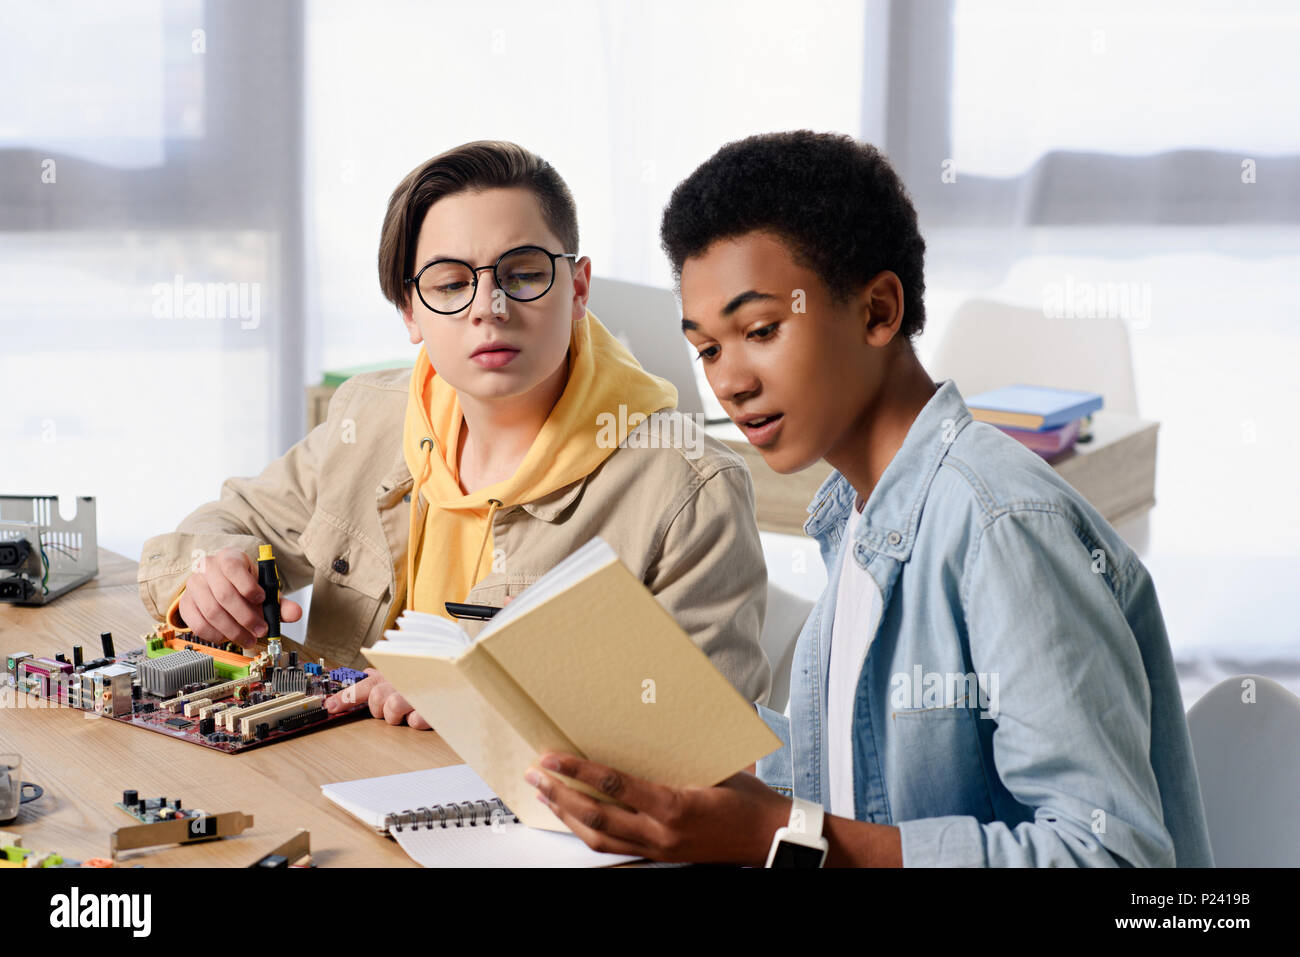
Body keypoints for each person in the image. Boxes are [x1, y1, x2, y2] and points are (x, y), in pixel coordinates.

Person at [525, 130, 1214, 867]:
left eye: (760, 329)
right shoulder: (857, 515)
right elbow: (863, 778)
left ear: (879, 310)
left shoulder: (1000, 526)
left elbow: (1116, 857)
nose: (729, 380)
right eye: (709, 347)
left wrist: (776, 837)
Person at [137, 140, 772, 728]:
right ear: (411, 312)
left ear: (577, 288)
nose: (487, 308)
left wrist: (498, 698)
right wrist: (209, 577)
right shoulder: (370, 419)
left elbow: (713, 747)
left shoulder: (690, 488)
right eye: (450, 283)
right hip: (334, 794)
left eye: (522, 275)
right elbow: (208, 529)